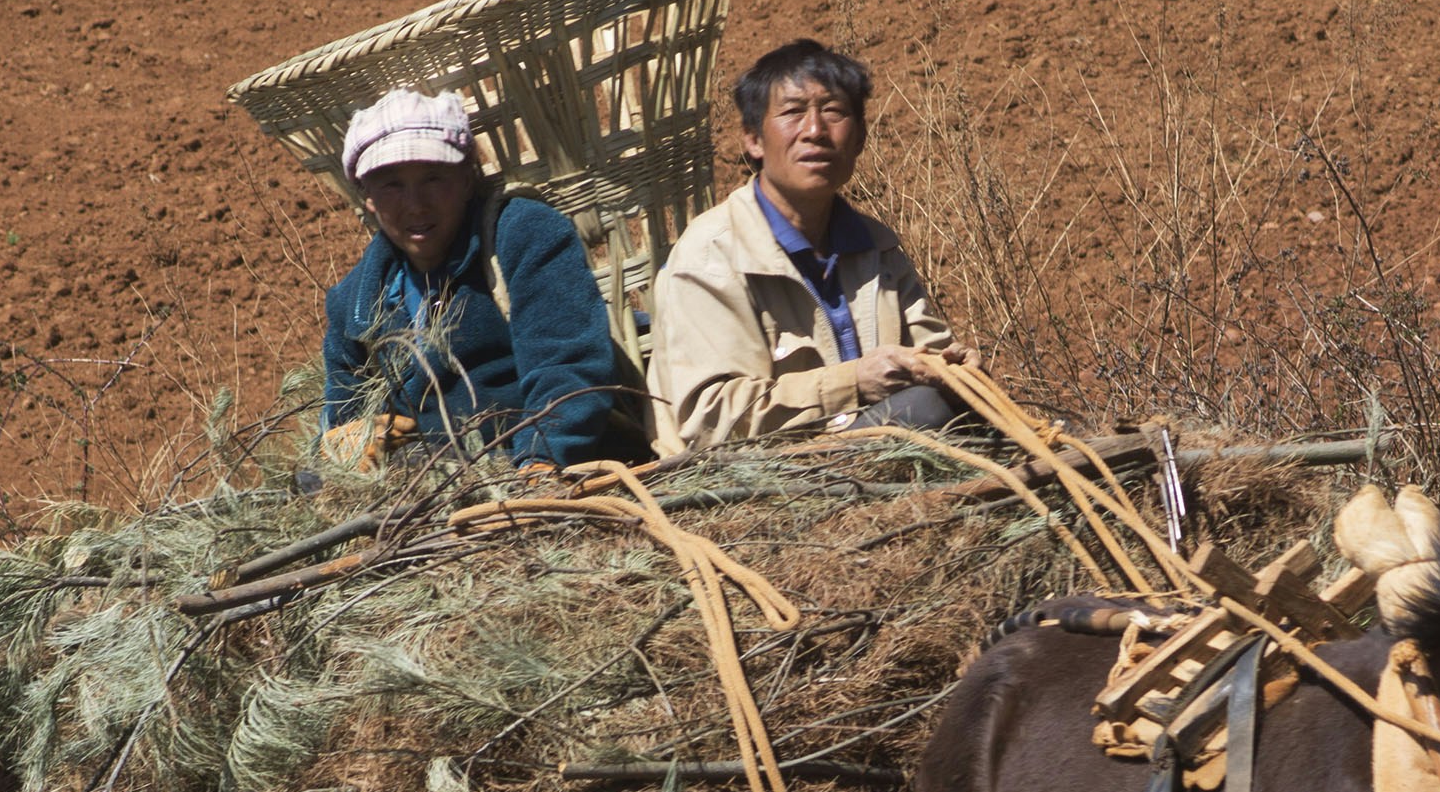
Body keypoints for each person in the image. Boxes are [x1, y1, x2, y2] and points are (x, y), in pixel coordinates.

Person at [651, 38, 971, 452]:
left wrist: (958, 371)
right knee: (925, 409)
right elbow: (711, 418)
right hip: (755, 474)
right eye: (792, 112)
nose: (815, 131)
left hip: (861, 453)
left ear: (859, 138)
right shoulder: (710, 256)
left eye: (834, 112)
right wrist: (852, 382)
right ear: (753, 140)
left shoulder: (876, 246)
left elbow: (931, 350)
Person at [318, 87, 639, 471]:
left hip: (533, 464)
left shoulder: (523, 235)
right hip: (429, 485)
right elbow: (343, 412)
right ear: (366, 196)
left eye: (434, 178)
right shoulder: (356, 300)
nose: (416, 205)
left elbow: (565, 366)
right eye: (392, 185)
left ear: (468, 177)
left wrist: (538, 464)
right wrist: (347, 442)